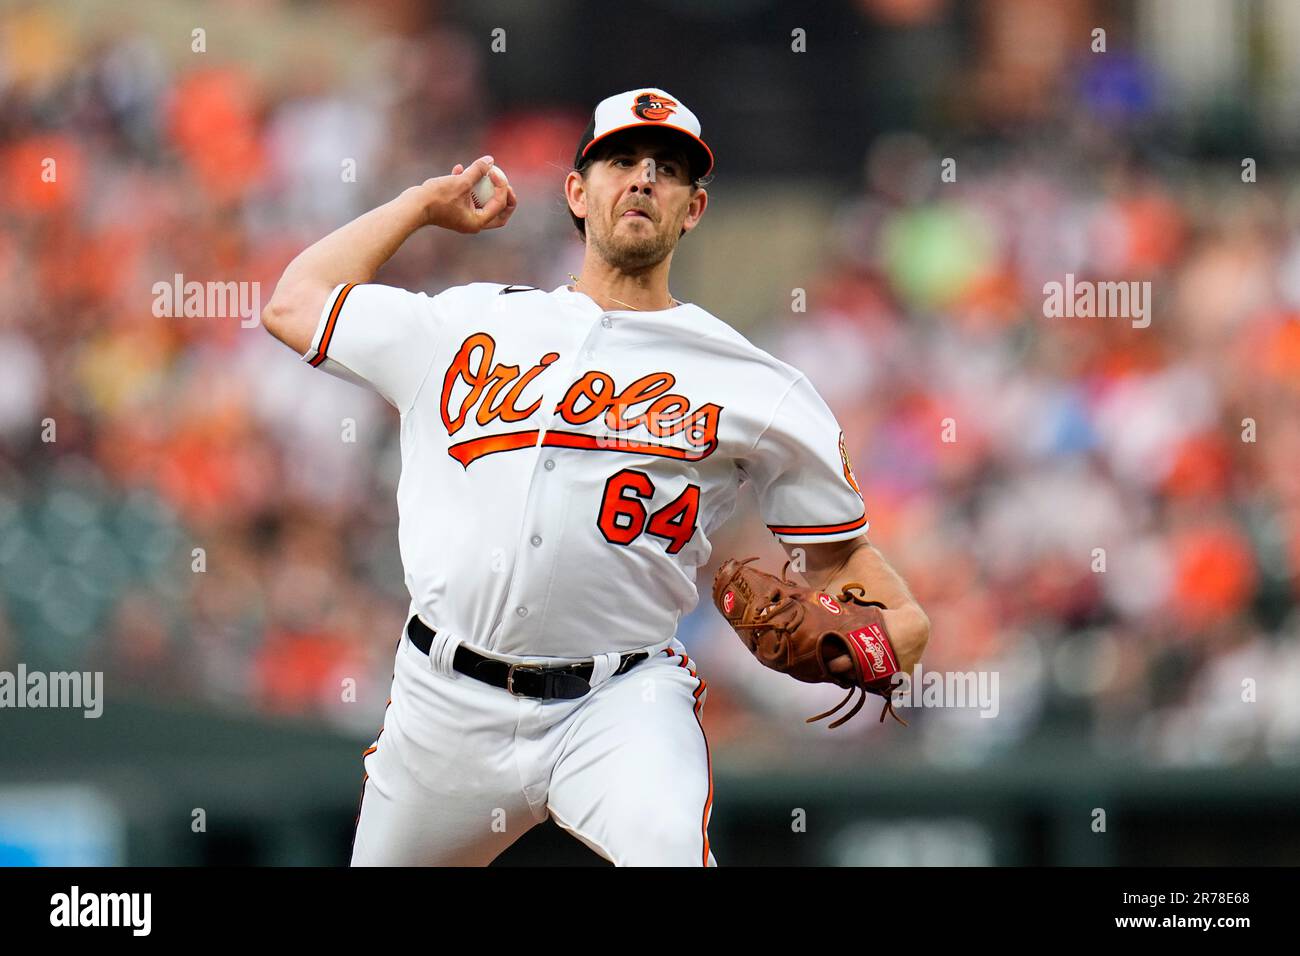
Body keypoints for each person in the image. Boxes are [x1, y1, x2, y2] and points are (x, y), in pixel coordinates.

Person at [262, 87, 930, 866]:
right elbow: (293, 304)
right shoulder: (467, 322)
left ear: (695, 209)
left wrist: (895, 643)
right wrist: (418, 206)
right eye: (621, 160)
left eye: (669, 169)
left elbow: (853, 568)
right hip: (443, 703)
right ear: (578, 192)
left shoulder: (755, 381)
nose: (644, 177)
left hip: (621, 701)